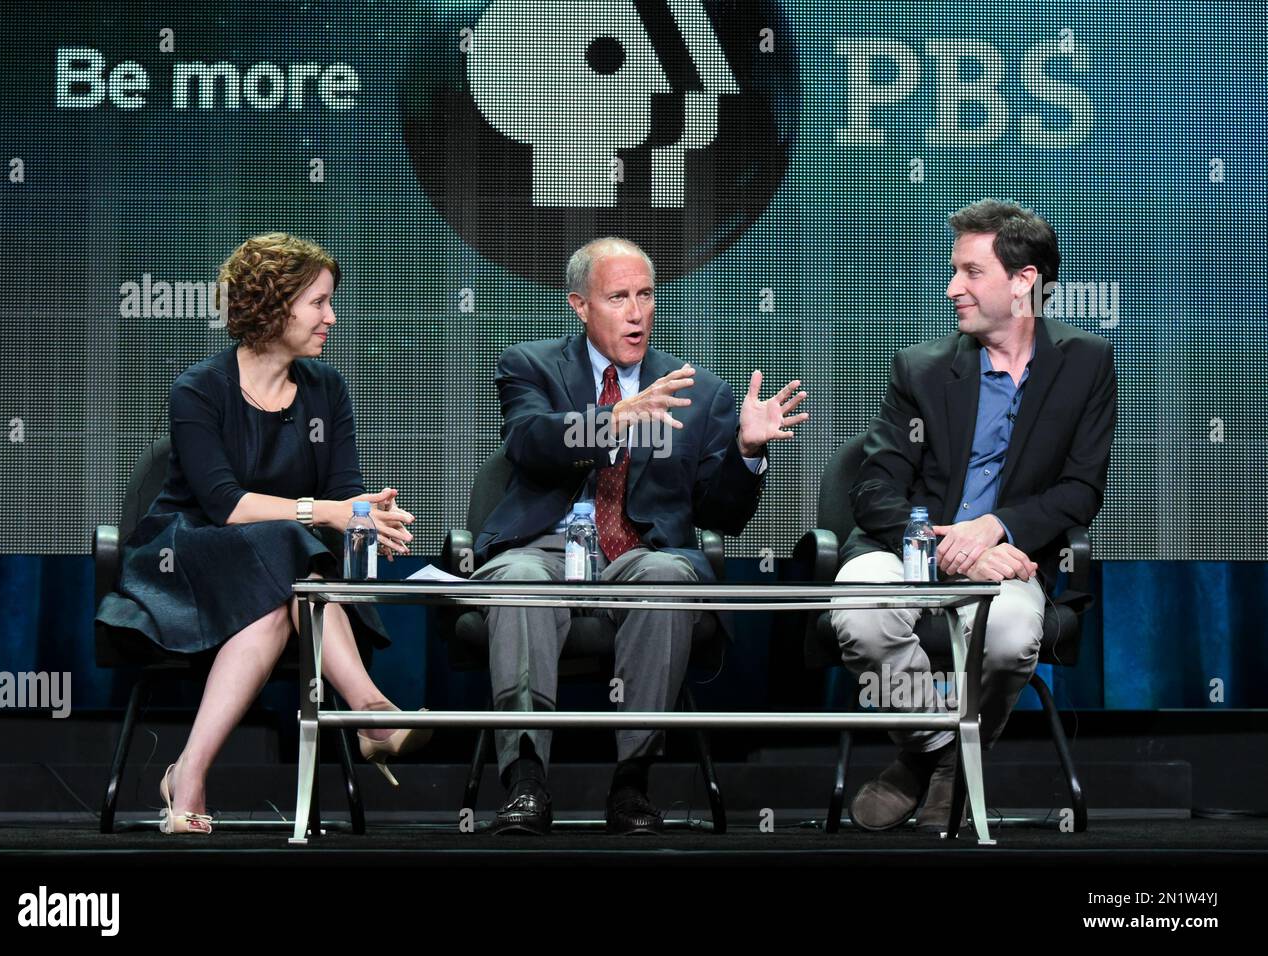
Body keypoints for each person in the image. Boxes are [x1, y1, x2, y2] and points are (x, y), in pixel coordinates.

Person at [472, 237, 809, 834]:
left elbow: (722, 515)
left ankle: (631, 783)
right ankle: (525, 780)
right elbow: (528, 441)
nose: (636, 312)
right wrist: (614, 420)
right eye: (618, 297)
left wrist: (747, 454)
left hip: (639, 554)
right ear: (579, 306)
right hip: (546, 548)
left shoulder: (698, 392)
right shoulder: (530, 365)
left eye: (646, 296)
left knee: (664, 578)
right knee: (520, 580)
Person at [96, 233, 428, 835]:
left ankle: (188, 774)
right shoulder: (199, 389)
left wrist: (364, 515)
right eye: (319, 302)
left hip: (279, 576)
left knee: (279, 600)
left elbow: (345, 491)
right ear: (275, 305)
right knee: (285, 544)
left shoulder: (326, 390)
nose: (332, 317)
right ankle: (373, 712)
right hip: (186, 556)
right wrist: (328, 512)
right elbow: (225, 505)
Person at [828, 200, 1117, 832]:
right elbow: (875, 489)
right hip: (909, 551)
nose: (953, 287)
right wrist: (945, 546)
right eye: (954, 270)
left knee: (1014, 637)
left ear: (1024, 281)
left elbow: (1080, 490)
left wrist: (996, 528)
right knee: (857, 608)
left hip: (1009, 556)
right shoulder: (922, 368)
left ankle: (922, 769)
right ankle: (942, 755)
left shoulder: (1087, 363)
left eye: (971, 272)